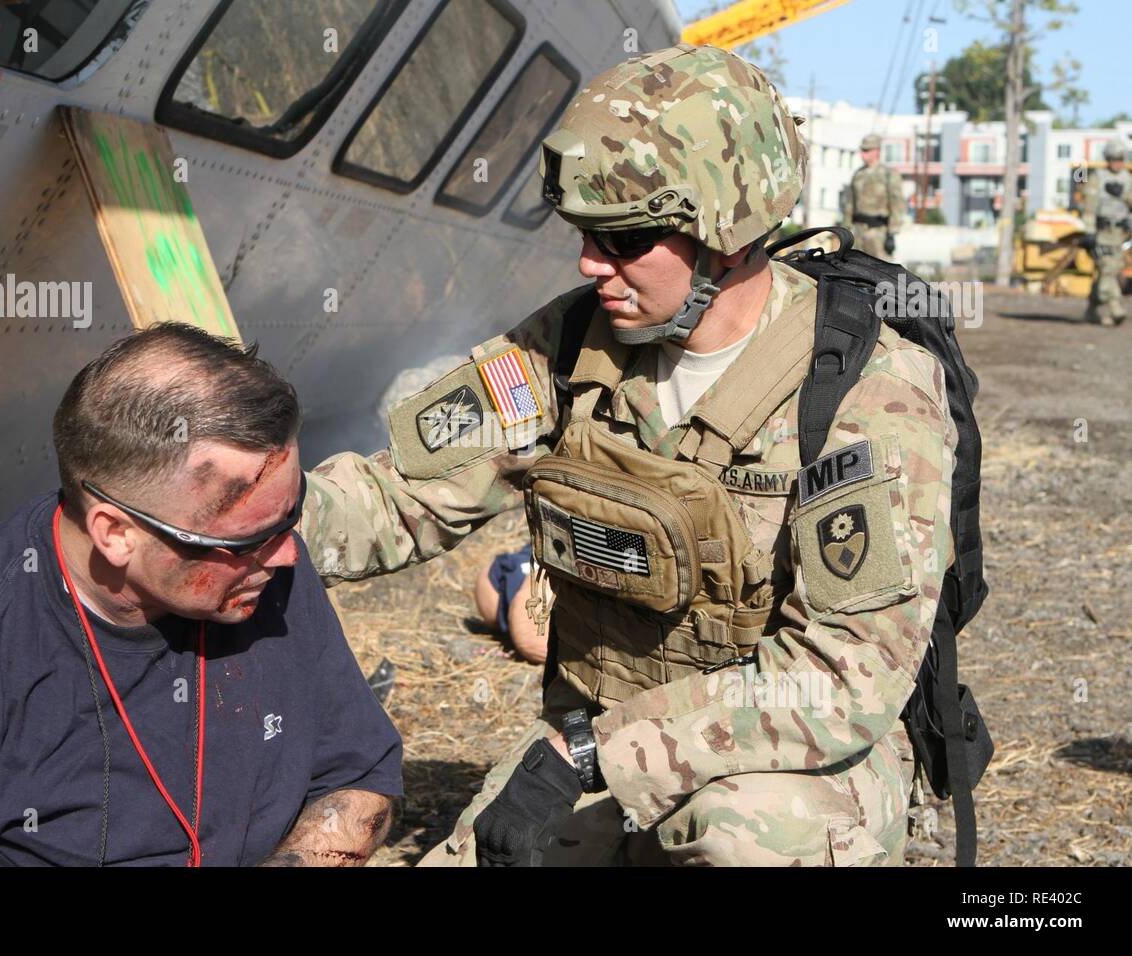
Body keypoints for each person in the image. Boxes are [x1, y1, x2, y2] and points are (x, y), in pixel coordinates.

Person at [301, 43, 956, 867]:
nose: (589, 264)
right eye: (583, 234)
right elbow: (405, 494)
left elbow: (839, 680)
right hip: (588, 747)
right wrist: (250, 517)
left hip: (779, 767)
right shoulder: (571, 341)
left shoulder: (866, 389)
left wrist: (596, 753)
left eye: (624, 239)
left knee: (747, 836)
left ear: (727, 236)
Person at [0, 323, 402, 866]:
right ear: (116, 534)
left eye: (290, 514)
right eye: (248, 537)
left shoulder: (259, 572)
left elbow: (358, 774)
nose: (287, 555)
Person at [1079, 139, 1131, 326]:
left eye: (1120, 159)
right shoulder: (1097, 178)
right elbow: (1089, 208)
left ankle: (1091, 310)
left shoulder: (1127, 179)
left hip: (1119, 235)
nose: (1117, 163)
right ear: (1108, 159)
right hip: (1101, 234)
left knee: (1109, 271)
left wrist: (1124, 196)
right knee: (1108, 268)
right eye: (1113, 159)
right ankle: (1115, 307)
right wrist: (1089, 232)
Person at [842, 133, 905, 259]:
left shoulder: (889, 174)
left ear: (876, 151)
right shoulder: (858, 174)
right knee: (855, 269)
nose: (862, 154)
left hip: (878, 232)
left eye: (866, 150)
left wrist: (892, 233)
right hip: (858, 231)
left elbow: (897, 203)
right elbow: (850, 203)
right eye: (862, 150)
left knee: (879, 271)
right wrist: (846, 229)